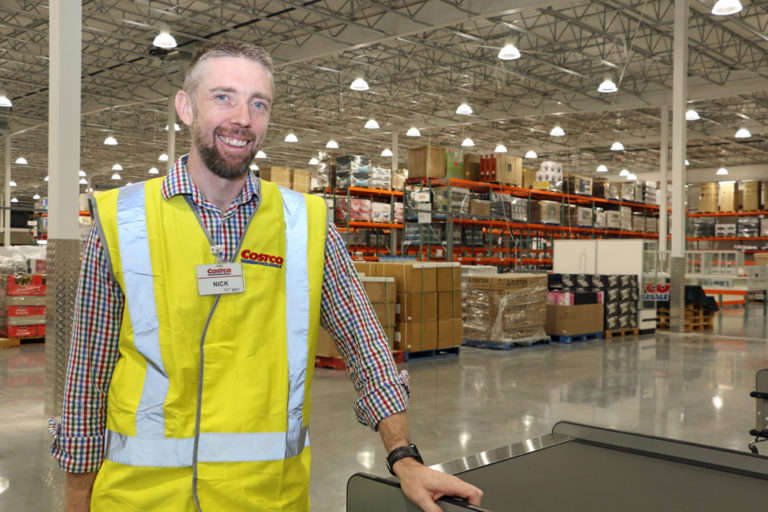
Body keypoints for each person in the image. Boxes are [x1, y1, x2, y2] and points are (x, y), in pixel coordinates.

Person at [50, 40, 483, 512]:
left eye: (258, 103)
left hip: (265, 498)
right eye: (223, 97)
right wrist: (77, 498)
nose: (242, 118)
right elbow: (87, 376)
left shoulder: (305, 223)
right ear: (185, 107)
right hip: (140, 498)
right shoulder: (122, 219)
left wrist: (404, 456)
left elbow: (368, 346)